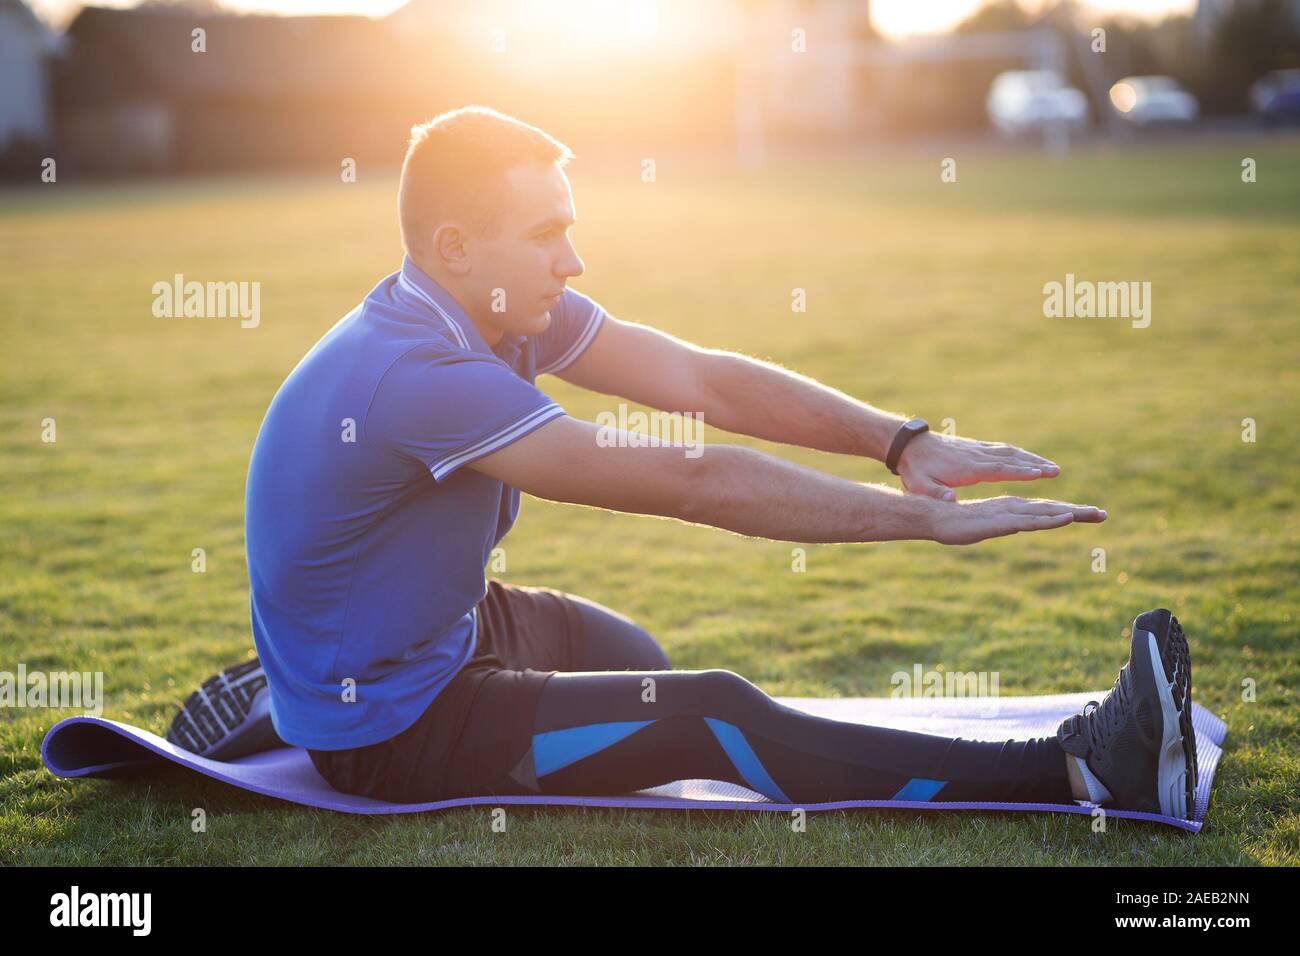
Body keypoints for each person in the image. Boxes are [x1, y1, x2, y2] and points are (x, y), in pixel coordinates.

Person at [167, 106, 1197, 821]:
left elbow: (699, 378)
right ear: (454, 246)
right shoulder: (416, 371)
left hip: (451, 629)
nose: (573, 263)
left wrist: (900, 440)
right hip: (395, 726)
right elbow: (687, 476)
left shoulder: (495, 305)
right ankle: (1080, 772)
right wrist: (919, 520)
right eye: (548, 235)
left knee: (639, 658)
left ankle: (277, 684)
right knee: (707, 713)